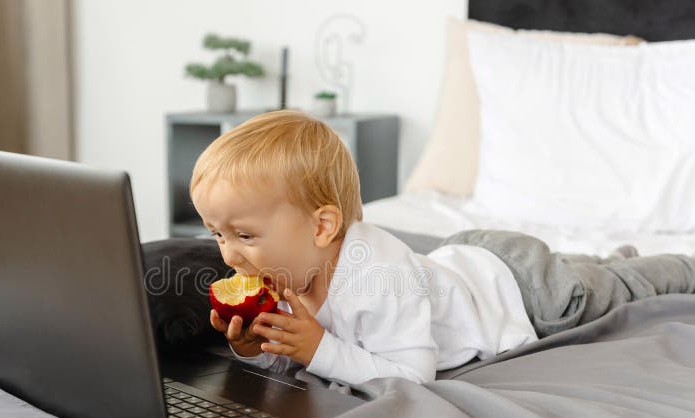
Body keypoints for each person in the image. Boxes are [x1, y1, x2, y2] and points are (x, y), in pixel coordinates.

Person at [189, 110, 695, 386]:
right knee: (592, 268)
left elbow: (412, 374)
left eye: (245, 236)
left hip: (526, 289)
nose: (229, 256)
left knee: (620, 288)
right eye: (217, 234)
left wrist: (319, 348)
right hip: (462, 258)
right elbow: (299, 360)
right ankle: (608, 260)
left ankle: (674, 263)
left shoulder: (379, 279)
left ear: (322, 226)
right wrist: (253, 347)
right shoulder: (286, 271)